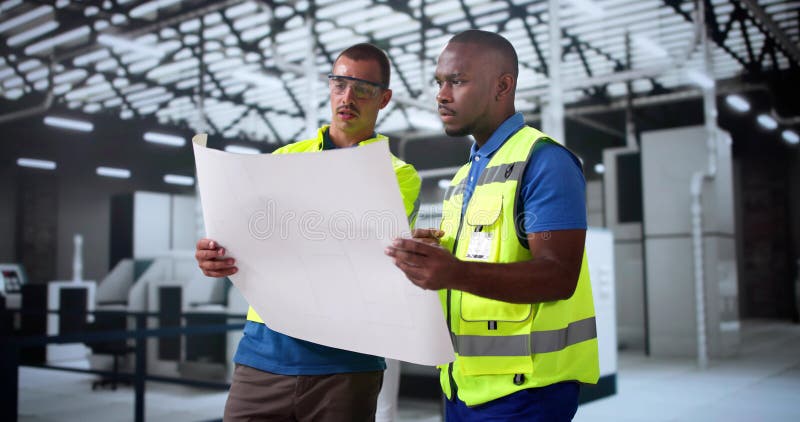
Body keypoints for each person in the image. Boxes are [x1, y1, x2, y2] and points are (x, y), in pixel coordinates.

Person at [196, 43, 420, 422]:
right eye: (340, 84)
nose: (347, 98)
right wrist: (217, 255)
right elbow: (252, 238)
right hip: (264, 355)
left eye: (362, 89)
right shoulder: (283, 158)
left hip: (346, 362)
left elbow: (346, 245)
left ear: (384, 99)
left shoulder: (398, 174)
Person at [385, 30, 599, 421]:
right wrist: (431, 256)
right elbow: (476, 262)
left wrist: (454, 271)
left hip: (526, 392)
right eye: (439, 82)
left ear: (503, 86)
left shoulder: (545, 161)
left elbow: (559, 275)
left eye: (457, 81)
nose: (441, 95)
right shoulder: (463, 176)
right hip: (462, 386)